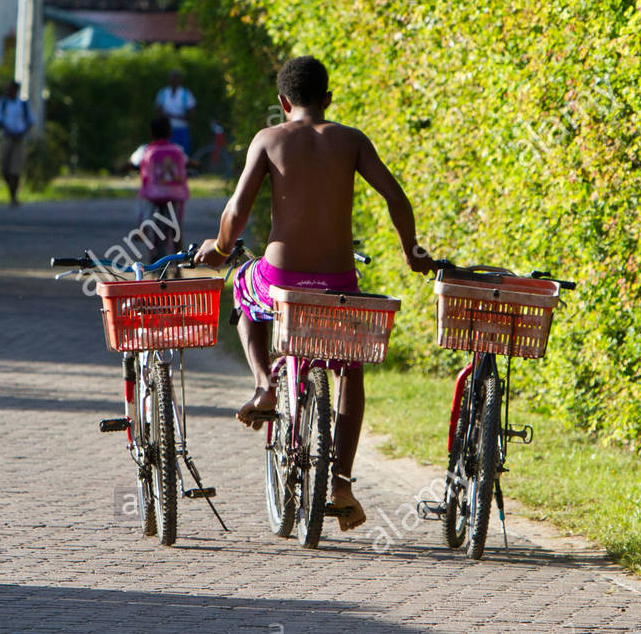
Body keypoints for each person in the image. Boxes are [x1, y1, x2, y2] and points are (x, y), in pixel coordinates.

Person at [194, 56, 434, 532]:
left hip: (280, 282)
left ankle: (264, 382)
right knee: (352, 369)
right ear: (328, 100)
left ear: (283, 103)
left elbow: (237, 210)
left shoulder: (269, 139)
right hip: (337, 284)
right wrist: (412, 252)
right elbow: (396, 197)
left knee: (243, 288)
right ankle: (341, 482)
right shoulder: (351, 140)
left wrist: (220, 250)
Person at [137, 116, 190, 255]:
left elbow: (135, 162)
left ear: (151, 133)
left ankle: (144, 228)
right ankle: (180, 252)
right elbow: (186, 162)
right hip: (174, 193)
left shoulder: (145, 149)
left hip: (154, 194)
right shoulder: (177, 149)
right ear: (170, 133)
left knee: (146, 205)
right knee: (176, 220)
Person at [0, 80, 34, 207]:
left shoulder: (23, 104)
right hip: (7, 137)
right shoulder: (3, 102)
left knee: (15, 169)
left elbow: (30, 121)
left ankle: (13, 196)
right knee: (4, 166)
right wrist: (9, 131)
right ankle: (11, 191)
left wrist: (21, 132)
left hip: (19, 139)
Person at [154, 69, 196, 154]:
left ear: (180, 80)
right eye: (172, 78)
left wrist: (178, 117)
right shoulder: (163, 93)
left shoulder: (186, 94)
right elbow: (158, 110)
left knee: (182, 154)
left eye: (176, 78)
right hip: (165, 130)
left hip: (181, 130)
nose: (174, 81)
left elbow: (192, 113)